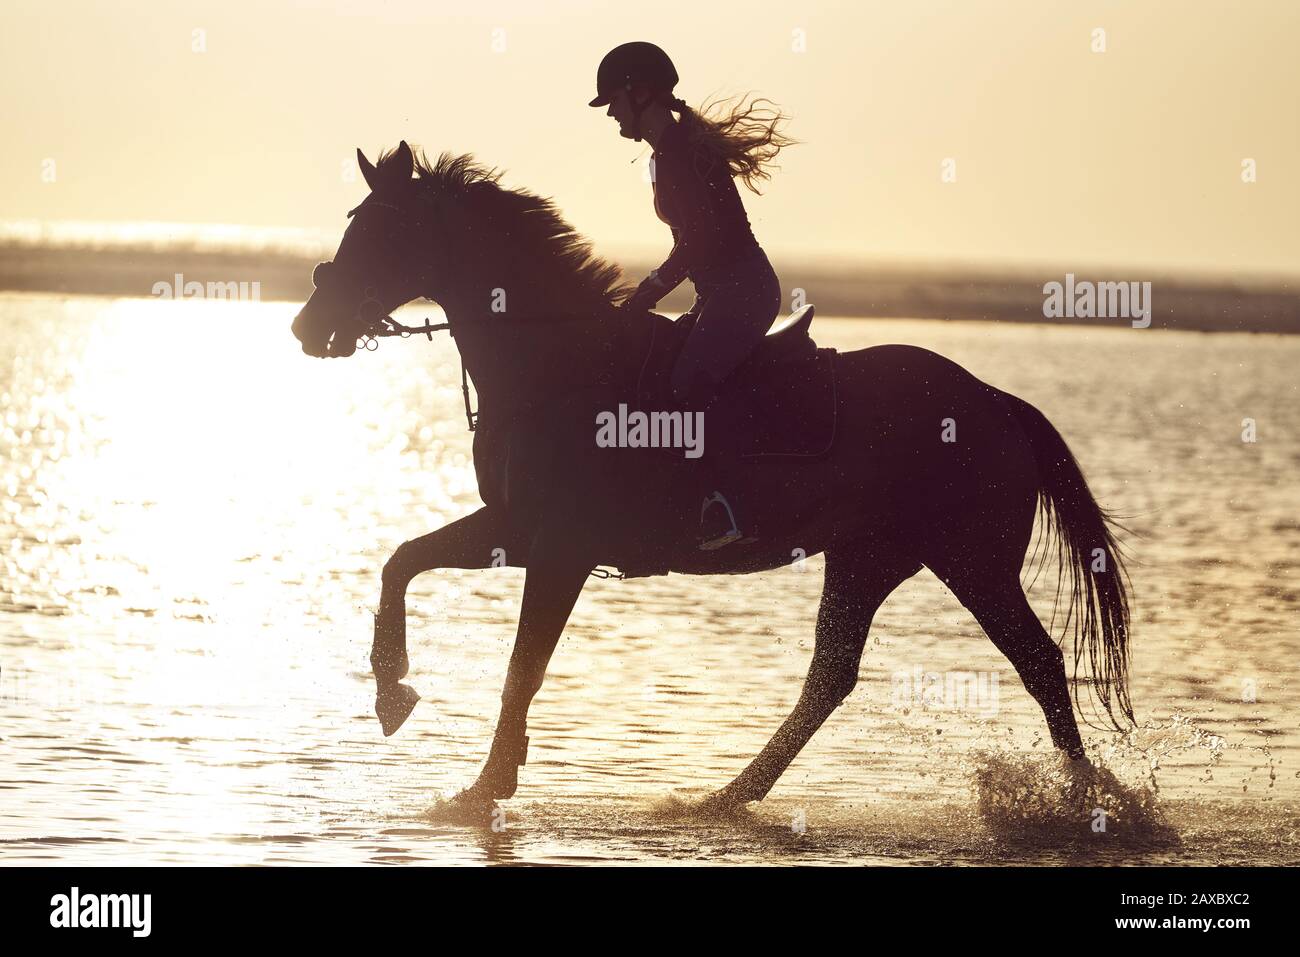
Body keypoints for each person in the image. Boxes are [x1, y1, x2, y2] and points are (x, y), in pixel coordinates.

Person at [589, 41, 794, 549]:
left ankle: (722, 507)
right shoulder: (666, 154)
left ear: (640, 94)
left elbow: (698, 239)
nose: (611, 113)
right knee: (655, 369)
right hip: (718, 294)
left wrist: (651, 290)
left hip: (744, 292)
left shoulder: (682, 152)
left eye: (614, 100)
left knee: (687, 382)